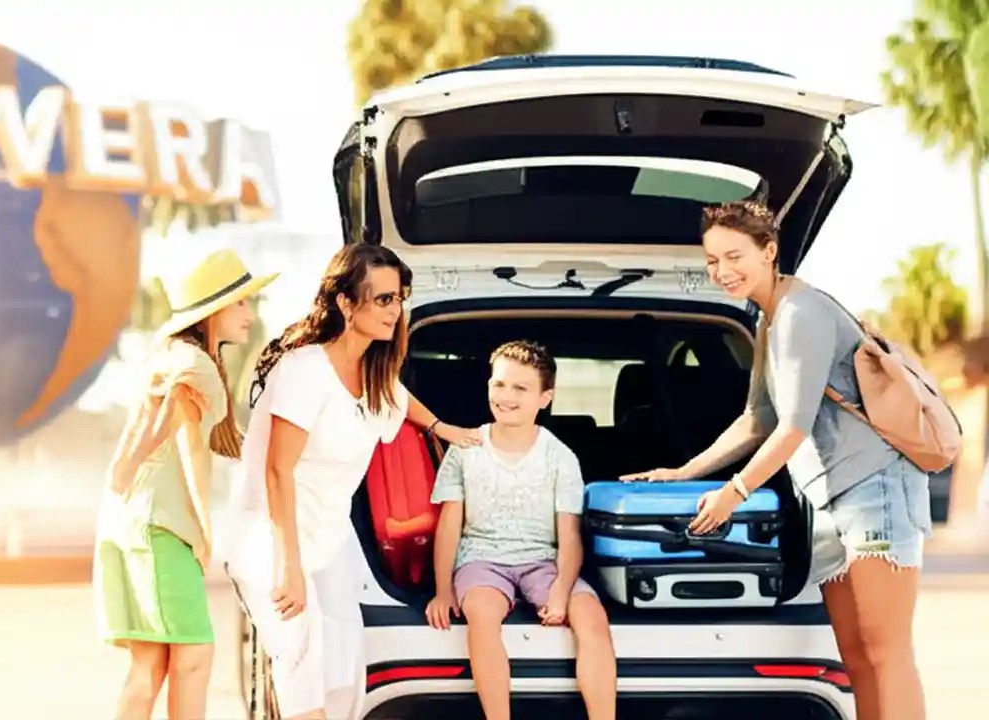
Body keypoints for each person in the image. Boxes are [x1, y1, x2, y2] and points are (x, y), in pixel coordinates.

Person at [621, 200, 933, 720]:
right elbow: (757, 418)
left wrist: (733, 493)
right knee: (857, 658)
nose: (723, 271)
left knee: (886, 652)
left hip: (874, 490)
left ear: (770, 251)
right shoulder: (770, 320)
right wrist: (685, 472)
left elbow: (793, 427)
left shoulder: (800, 312)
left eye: (735, 256)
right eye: (713, 260)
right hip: (829, 499)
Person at [223, 244, 481, 720]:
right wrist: (289, 566)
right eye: (382, 299)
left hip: (330, 532)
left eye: (399, 298)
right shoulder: (305, 371)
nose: (395, 309)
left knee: (342, 658)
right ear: (345, 303)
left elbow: (400, 400)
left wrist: (441, 429)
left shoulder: (374, 373)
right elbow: (277, 472)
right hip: (273, 531)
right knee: (302, 652)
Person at [93, 248, 277, 720]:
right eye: (241, 303)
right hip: (159, 525)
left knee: (152, 663)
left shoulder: (190, 357)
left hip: (140, 519)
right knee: (192, 655)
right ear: (214, 309)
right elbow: (173, 405)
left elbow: (220, 439)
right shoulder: (191, 362)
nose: (249, 314)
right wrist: (134, 460)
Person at [425, 340, 617, 720]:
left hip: (542, 561)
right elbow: (449, 525)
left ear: (545, 398)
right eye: (499, 385)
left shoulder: (560, 456)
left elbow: (569, 537)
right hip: (481, 559)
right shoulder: (465, 449)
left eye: (521, 388)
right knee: (481, 613)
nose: (506, 396)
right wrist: (443, 589)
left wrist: (561, 592)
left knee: (592, 617)